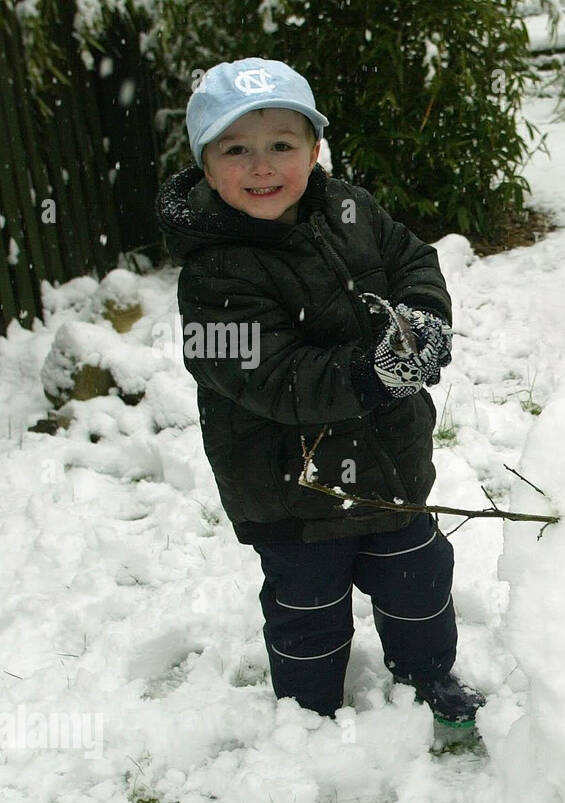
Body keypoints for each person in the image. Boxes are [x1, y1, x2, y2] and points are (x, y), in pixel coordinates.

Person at [156, 57, 482, 731]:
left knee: (417, 579)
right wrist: (374, 372)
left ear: (313, 149)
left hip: (388, 462)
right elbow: (270, 377)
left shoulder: (352, 211)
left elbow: (413, 258)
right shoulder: (213, 273)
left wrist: (421, 316)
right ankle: (308, 712)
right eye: (236, 149)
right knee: (308, 603)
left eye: (282, 144)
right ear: (205, 164)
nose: (261, 166)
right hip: (288, 485)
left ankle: (428, 676)